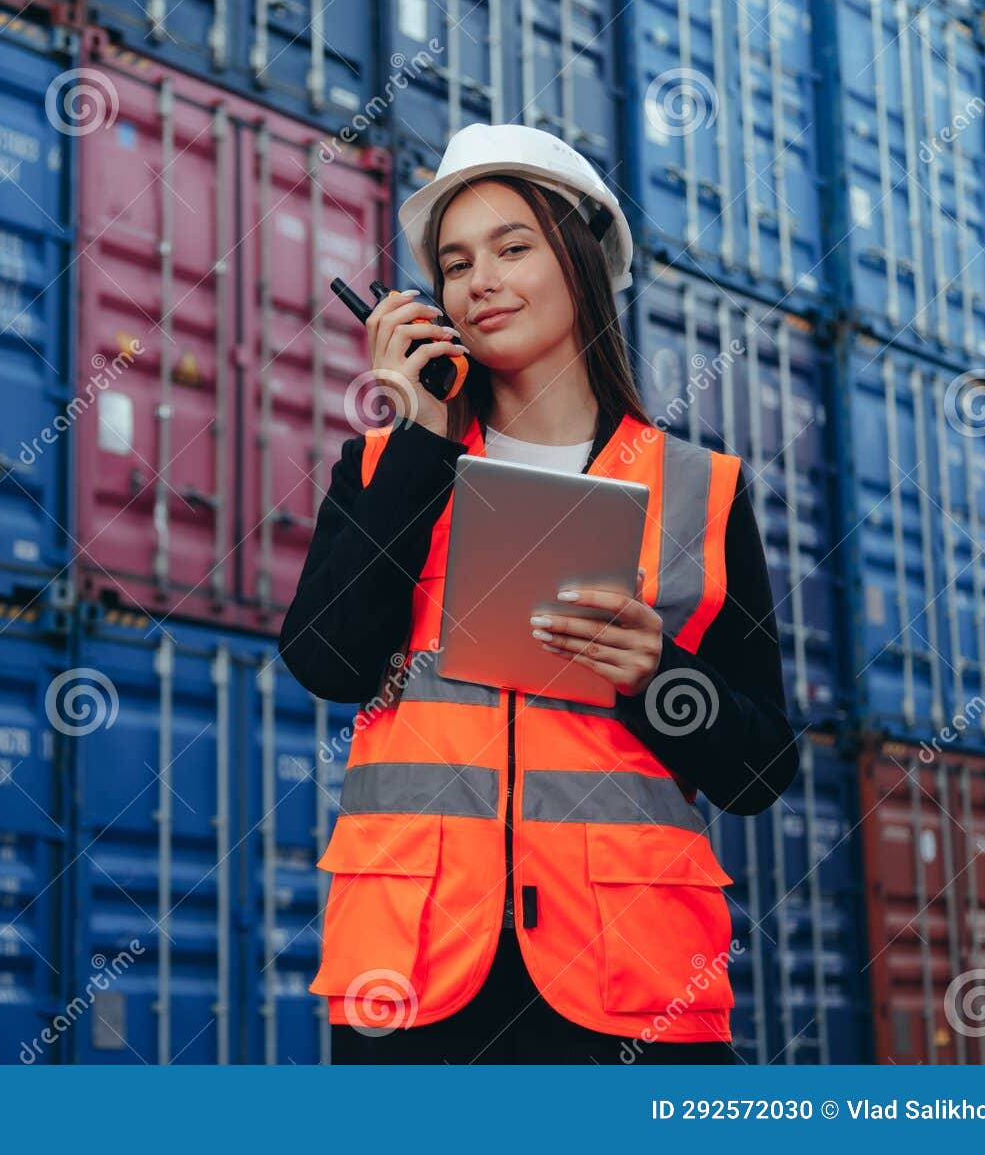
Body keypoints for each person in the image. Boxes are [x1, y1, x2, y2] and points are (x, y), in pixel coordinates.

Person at [279, 123, 799, 1065]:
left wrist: (656, 676)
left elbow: (761, 772)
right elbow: (329, 661)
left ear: (584, 262)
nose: (480, 281)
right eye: (454, 262)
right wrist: (422, 436)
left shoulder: (699, 490)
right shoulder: (387, 468)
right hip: (416, 984)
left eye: (513, 247)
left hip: (630, 988)